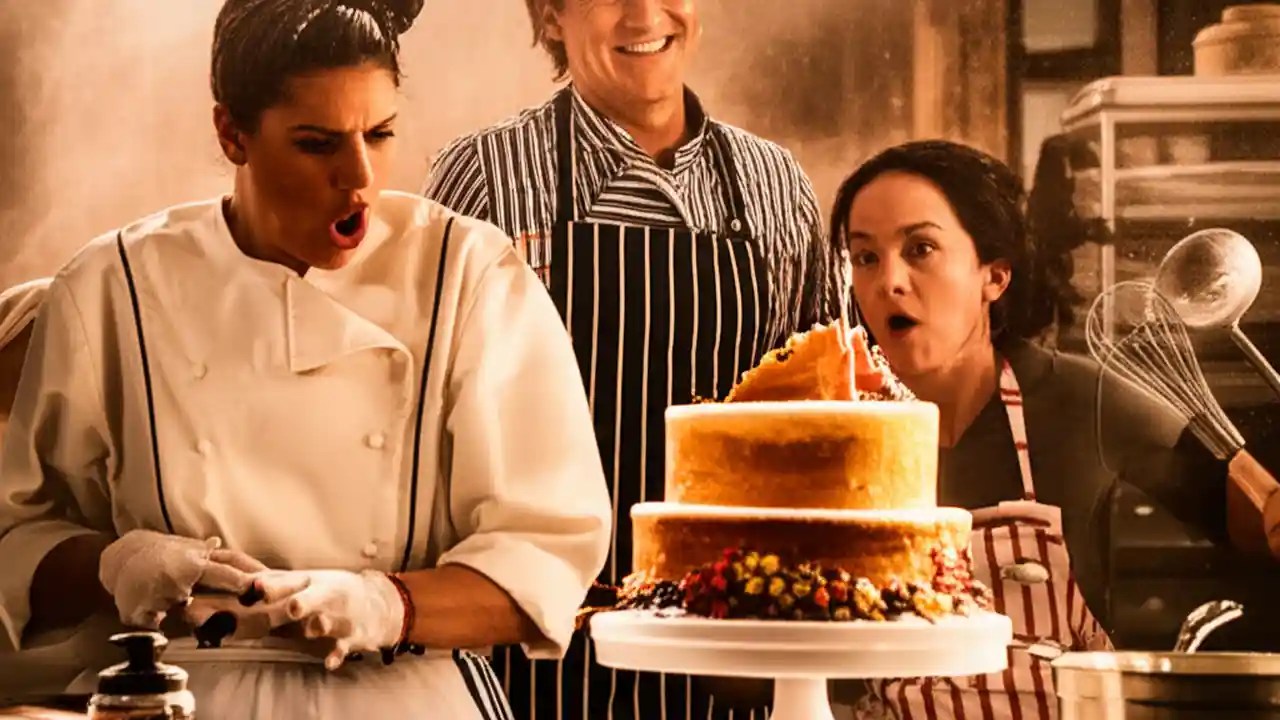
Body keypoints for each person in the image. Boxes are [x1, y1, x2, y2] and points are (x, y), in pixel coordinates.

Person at [0, 1, 612, 717]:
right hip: (177, 696)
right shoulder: (114, 284)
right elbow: (17, 538)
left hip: (405, 694)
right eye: (317, 144)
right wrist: (116, 564)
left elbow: (545, 558)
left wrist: (385, 604)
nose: (359, 177)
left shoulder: (467, 273)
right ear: (232, 133)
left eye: (379, 133)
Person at [423, 1, 844, 718]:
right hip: (539, 647)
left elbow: (828, 416)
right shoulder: (487, 175)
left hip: (728, 648)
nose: (645, 14)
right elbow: (423, 421)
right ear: (550, 17)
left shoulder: (775, 185)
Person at [829, 139, 1280, 718]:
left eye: (921, 249)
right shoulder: (838, 425)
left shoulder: (1079, 398)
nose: (888, 280)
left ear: (994, 275)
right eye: (865, 256)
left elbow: (1255, 522)